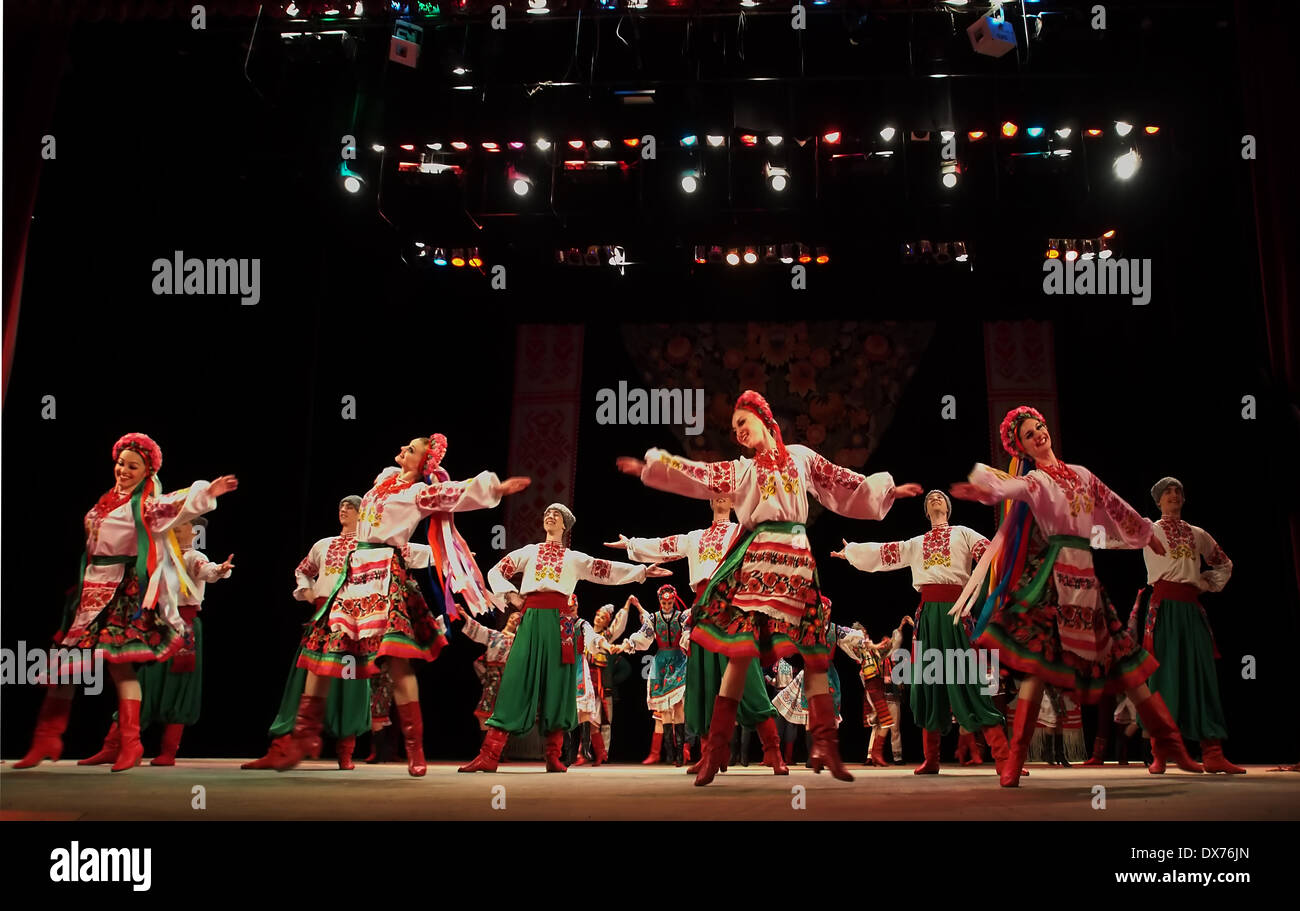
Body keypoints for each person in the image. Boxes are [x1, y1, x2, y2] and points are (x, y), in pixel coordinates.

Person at [616, 389, 922, 784]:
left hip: (796, 557)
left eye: (742, 423)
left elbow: (840, 484)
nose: (738, 432)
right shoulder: (742, 470)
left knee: (813, 650)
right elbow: (699, 474)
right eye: (733, 429)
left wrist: (886, 492)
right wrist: (652, 468)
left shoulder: (801, 457)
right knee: (741, 651)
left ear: (763, 417)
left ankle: (826, 746)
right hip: (758, 555)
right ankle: (714, 751)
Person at [949, 405, 1202, 787]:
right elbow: (1006, 486)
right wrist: (983, 488)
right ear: (1022, 447)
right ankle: (1015, 760)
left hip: (1086, 577)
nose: (1039, 435)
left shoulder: (1083, 474)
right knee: (1037, 664)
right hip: (1053, 576)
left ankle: (1172, 745)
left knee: (1127, 665)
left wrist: (1146, 533)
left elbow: (1114, 505)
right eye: (1029, 434)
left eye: (1041, 427)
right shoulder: (1035, 481)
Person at [271, 434, 529, 775]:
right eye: (406, 446)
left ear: (424, 462)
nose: (404, 450)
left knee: (397, 662)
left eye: (413, 449)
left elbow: (456, 493)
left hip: (385, 574)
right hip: (353, 573)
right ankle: (304, 736)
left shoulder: (418, 493)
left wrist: (495, 489)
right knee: (322, 653)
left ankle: (414, 748)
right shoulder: (382, 480)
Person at [14, 433, 237, 772]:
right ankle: (46, 737)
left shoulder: (146, 506)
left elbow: (173, 504)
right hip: (91, 590)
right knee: (65, 665)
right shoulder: (104, 502)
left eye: (133, 466)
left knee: (120, 666)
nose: (124, 470)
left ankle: (131, 744)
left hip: (119, 590)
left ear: (146, 471)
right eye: (121, 463)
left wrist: (207, 492)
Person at [458, 504, 670, 773]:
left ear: (565, 525)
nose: (549, 516)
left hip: (561, 625)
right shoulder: (529, 552)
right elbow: (496, 571)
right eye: (547, 513)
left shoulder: (573, 558)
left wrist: (640, 572)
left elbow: (603, 568)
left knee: (558, 684)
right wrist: (511, 595)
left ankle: (553, 755)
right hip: (531, 618)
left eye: (556, 515)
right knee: (515, 679)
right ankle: (489, 755)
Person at [832, 489, 1012, 775]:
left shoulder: (964, 533)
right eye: (930, 498)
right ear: (926, 512)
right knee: (928, 684)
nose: (935, 498)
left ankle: (1005, 758)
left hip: (956, 614)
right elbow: (885, 552)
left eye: (940, 497)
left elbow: (990, 554)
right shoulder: (917, 543)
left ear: (948, 509)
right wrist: (852, 552)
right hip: (927, 617)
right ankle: (932, 759)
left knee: (967, 678)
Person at [607, 496, 788, 775]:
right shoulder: (695, 537)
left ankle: (773, 751)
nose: (720, 498)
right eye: (715, 494)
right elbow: (664, 545)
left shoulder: (743, 531)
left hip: (733, 609)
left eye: (726, 493)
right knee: (705, 683)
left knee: (748, 679)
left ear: (734, 501)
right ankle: (709, 755)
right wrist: (632, 544)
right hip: (702, 611)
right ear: (710, 502)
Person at [1134, 477, 1243, 774]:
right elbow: (1119, 534)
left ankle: (1213, 752)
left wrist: (1205, 583)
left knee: (1202, 675)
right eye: (1167, 492)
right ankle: (1161, 752)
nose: (1173, 495)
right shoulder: (1149, 529)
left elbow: (1224, 563)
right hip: (1164, 610)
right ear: (1158, 501)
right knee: (1165, 677)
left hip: (1192, 610)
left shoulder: (1198, 534)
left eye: (1178, 491)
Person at [623, 586, 691, 767]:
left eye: (669, 603)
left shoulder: (682, 617)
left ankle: (679, 754)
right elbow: (643, 636)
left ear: (673, 600)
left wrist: (688, 641)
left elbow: (689, 632)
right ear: (659, 601)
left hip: (679, 660)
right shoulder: (653, 618)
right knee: (664, 709)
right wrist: (630, 643)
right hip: (661, 662)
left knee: (678, 706)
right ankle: (669, 752)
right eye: (664, 602)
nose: (667, 606)